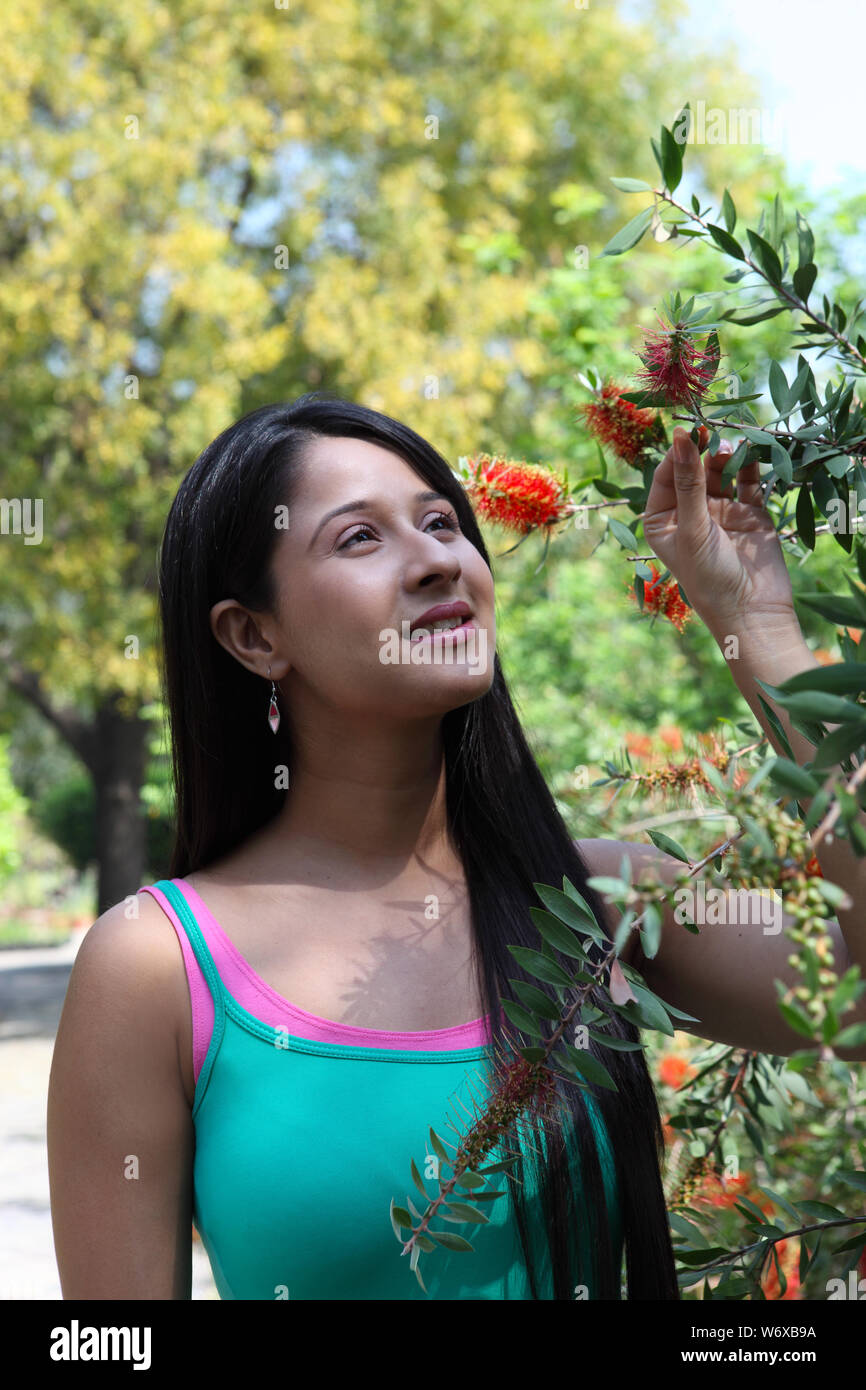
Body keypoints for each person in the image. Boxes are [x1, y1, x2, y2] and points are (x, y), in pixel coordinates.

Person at [47, 395, 866, 1300]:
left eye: (442, 522)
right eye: (359, 538)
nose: (437, 558)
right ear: (254, 635)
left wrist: (758, 626)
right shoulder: (155, 966)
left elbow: (858, 1003)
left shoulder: (610, 896)